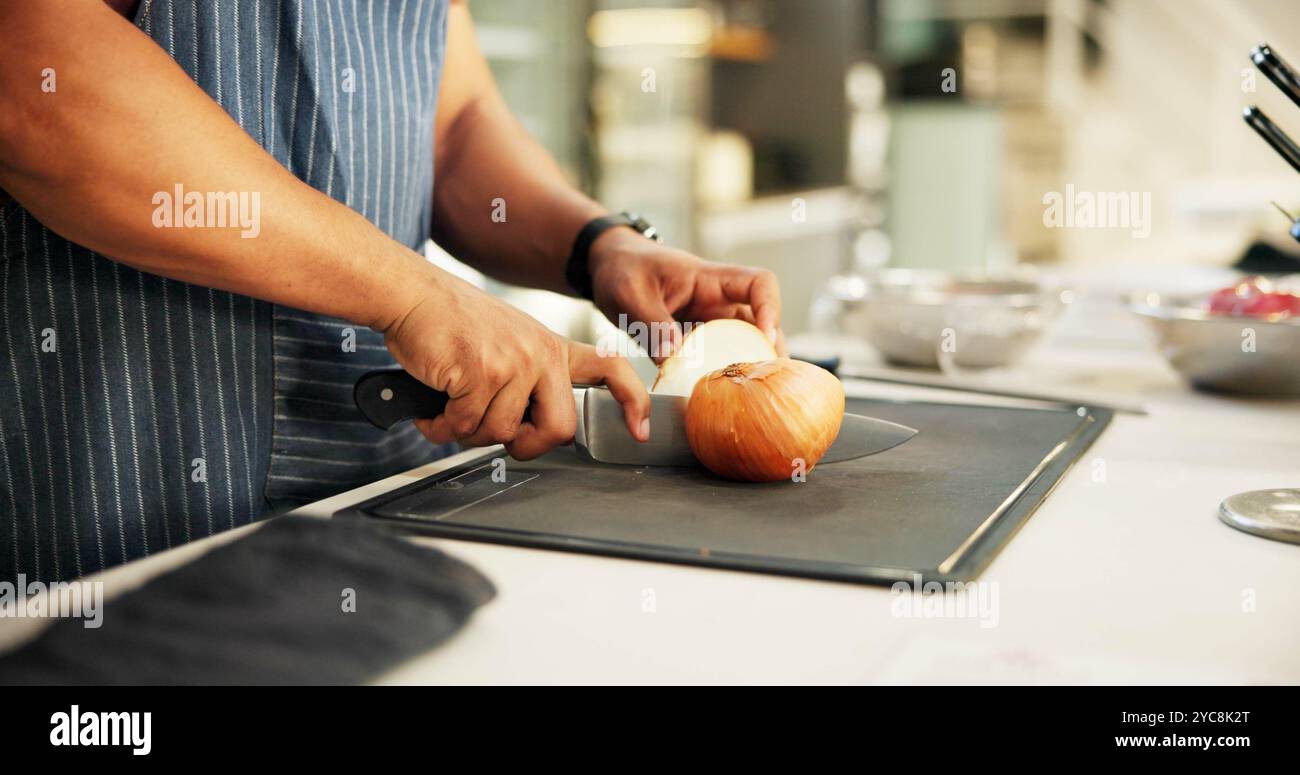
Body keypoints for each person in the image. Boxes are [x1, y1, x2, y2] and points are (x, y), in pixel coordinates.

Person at [0, 0, 785, 583]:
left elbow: (453, 123)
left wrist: (597, 244)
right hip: (107, 519)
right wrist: (417, 297)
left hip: (385, 518)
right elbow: (36, 84)